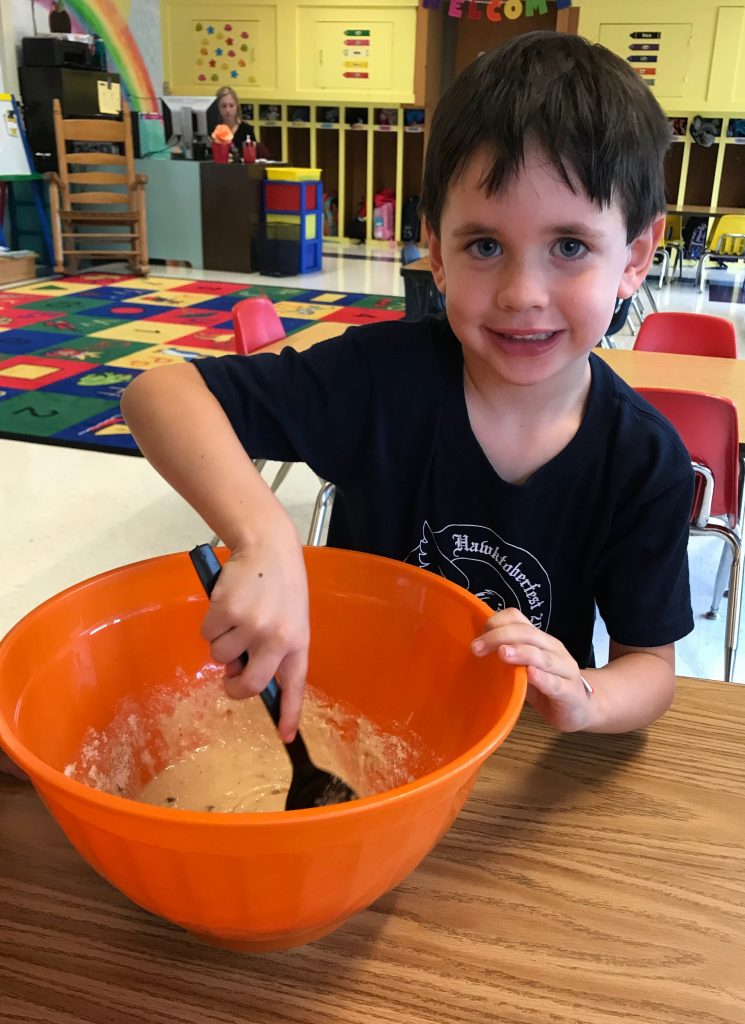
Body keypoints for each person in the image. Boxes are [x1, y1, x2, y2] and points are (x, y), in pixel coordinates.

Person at [119, 32, 694, 747]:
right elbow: (159, 393)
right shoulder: (379, 378)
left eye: (569, 247)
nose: (522, 295)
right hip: (346, 718)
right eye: (484, 246)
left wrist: (585, 696)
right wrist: (263, 536)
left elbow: (650, 667)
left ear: (635, 256)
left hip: (507, 746)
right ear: (435, 249)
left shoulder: (643, 460)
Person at [212, 86, 270, 159]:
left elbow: (254, 155)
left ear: (237, 107)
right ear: (218, 108)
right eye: (223, 106)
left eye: (231, 106)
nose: (228, 110)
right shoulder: (213, 130)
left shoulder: (246, 129)